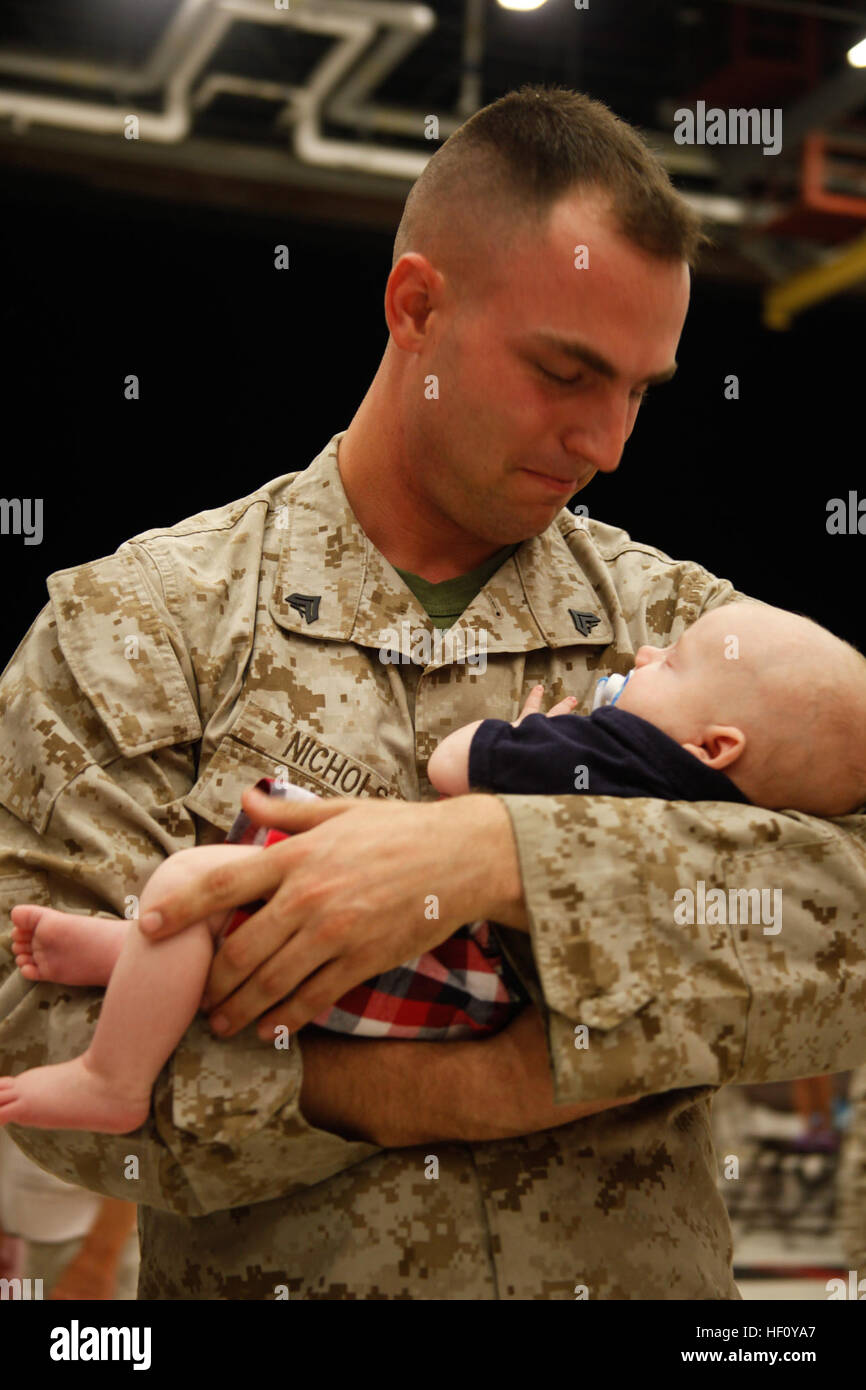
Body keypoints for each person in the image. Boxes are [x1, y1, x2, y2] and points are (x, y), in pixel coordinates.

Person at [2, 83, 866, 1300]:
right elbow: (39, 1043)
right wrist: (465, 1087)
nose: (607, 443)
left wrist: (497, 856)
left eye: (638, 389)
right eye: (565, 371)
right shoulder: (141, 626)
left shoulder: (685, 633)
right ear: (415, 305)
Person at [3, 600, 864, 1137]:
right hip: (489, 992)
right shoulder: (736, 794)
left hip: (452, 963)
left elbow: (456, 764)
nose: (644, 656)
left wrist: (521, 749)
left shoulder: (619, 745)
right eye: (562, 376)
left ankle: (114, 1074)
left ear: (715, 746)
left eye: (669, 664)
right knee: (247, 921)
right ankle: (134, 957)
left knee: (195, 886)